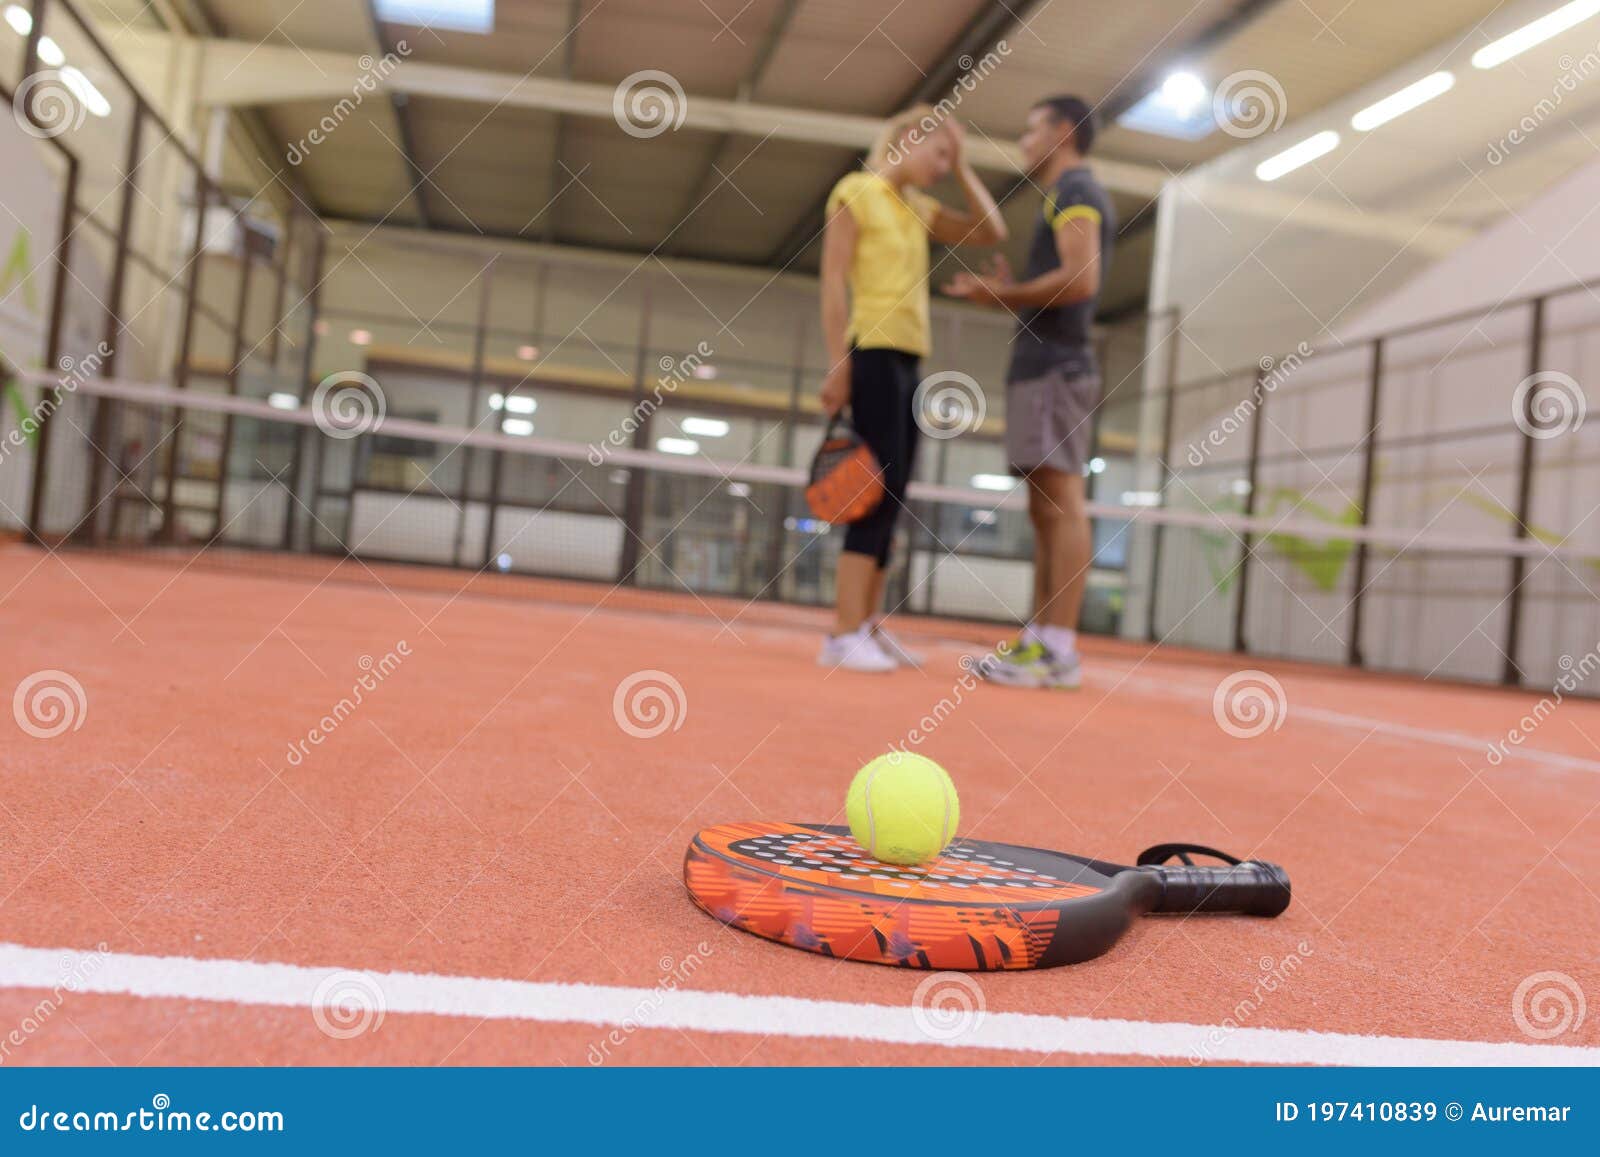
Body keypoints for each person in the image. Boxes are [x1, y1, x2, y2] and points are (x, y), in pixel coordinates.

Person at [817, 107, 1008, 673]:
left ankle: (867, 627)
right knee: (870, 491)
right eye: (939, 154)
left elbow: (992, 229)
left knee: (895, 491)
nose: (944, 167)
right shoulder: (855, 190)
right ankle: (841, 633)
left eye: (950, 159)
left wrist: (966, 163)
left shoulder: (917, 207)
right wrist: (837, 363)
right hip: (869, 351)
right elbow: (831, 279)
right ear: (907, 139)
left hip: (908, 356)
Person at [943, 95, 1114, 690]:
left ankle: (1060, 649)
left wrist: (1002, 297)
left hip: (1058, 368)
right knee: (1045, 508)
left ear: (1063, 132)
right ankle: (1042, 638)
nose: (1023, 141)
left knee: (1062, 500)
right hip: (1041, 366)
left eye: (1031, 129)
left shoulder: (1077, 192)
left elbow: (1081, 278)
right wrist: (1012, 292)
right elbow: (1063, 279)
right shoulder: (1058, 198)